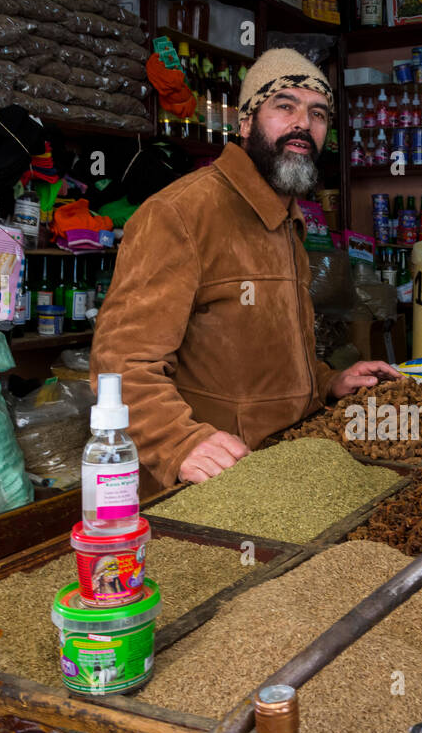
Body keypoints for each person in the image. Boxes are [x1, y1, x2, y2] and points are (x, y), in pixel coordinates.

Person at [92, 49, 399, 490]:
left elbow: (262, 356)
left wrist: (329, 381)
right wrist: (178, 441)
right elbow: (121, 364)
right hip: (217, 483)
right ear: (245, 122)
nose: (303, 125)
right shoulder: (180, 214)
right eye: (284, 106)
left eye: (317, 114)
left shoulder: (288, 219)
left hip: (285, 466)